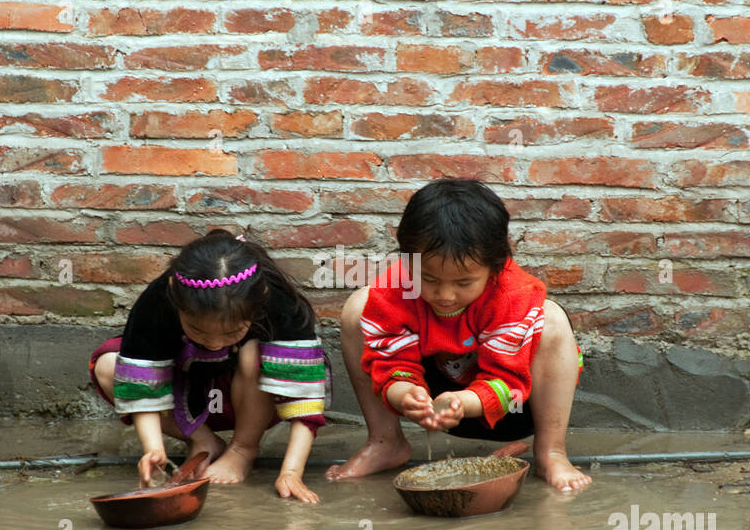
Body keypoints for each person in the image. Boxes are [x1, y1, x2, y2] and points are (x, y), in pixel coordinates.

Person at [327, 178, 590, 492]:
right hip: (433, 402)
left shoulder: (511, 295)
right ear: (407, 260)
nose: (445, 295)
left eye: (463, 283)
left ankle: (551, 452)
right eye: (429, 279)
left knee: (553, 321)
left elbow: (509, 381)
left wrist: (464, 402)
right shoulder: (397, 289)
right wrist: (404, 394)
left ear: (495, 267)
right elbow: (390, 363)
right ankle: (385, 442)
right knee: (358, 307)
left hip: (514, 406)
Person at [89, 229, 329, 504]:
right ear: (173, 295)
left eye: (231, 333)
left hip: (251, 401)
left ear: (260, 299)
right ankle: (202, 439)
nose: (214, 344)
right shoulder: (156, 301)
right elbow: (141, 384)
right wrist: (153, 449)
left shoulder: (277, 299)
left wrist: (291, 472)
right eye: (198, 331)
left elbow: (303, 394)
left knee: (253, 353)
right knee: (108, 365)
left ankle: (242, 450)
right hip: (184, 396)